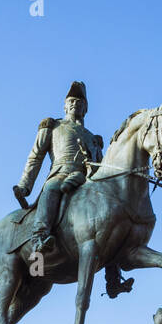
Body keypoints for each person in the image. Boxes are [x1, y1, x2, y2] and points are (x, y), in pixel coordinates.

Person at [13, 81, 104, 255]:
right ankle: (39, 237)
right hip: (61, 173)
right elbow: (36, 156)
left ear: (85, 108)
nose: (75, 104)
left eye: (79, 102)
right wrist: (25, 185)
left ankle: (113, 277)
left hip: (87, 179)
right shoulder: (53, 126)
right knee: (52, 187)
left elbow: (101, 166)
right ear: (64, 106)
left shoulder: (93, 138)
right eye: (71, 101)